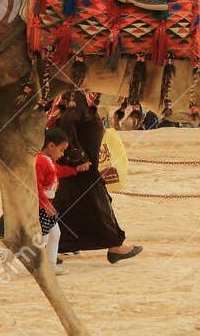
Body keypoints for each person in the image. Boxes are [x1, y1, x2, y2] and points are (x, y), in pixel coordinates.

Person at [49, 94, 142, 263]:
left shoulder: (83, 96)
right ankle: (114, 245)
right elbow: (66, 124)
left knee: (71, 204)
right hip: (84, 168)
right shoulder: (76, 95)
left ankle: (57, 246)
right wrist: (79, 157)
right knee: (99, 204)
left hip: (84, 168)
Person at [36, 127, 91, 273]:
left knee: (54, 234)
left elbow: (58, 171)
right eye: (61, 150)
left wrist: (75, 170)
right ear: (51, 145)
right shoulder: (40, 161)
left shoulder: (48, 161)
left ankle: (50, 265)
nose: (62, 154)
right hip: (41, 205)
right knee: (43, 237)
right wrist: (45, 204)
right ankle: (40, 265)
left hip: (46, 204)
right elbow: (36, 186)